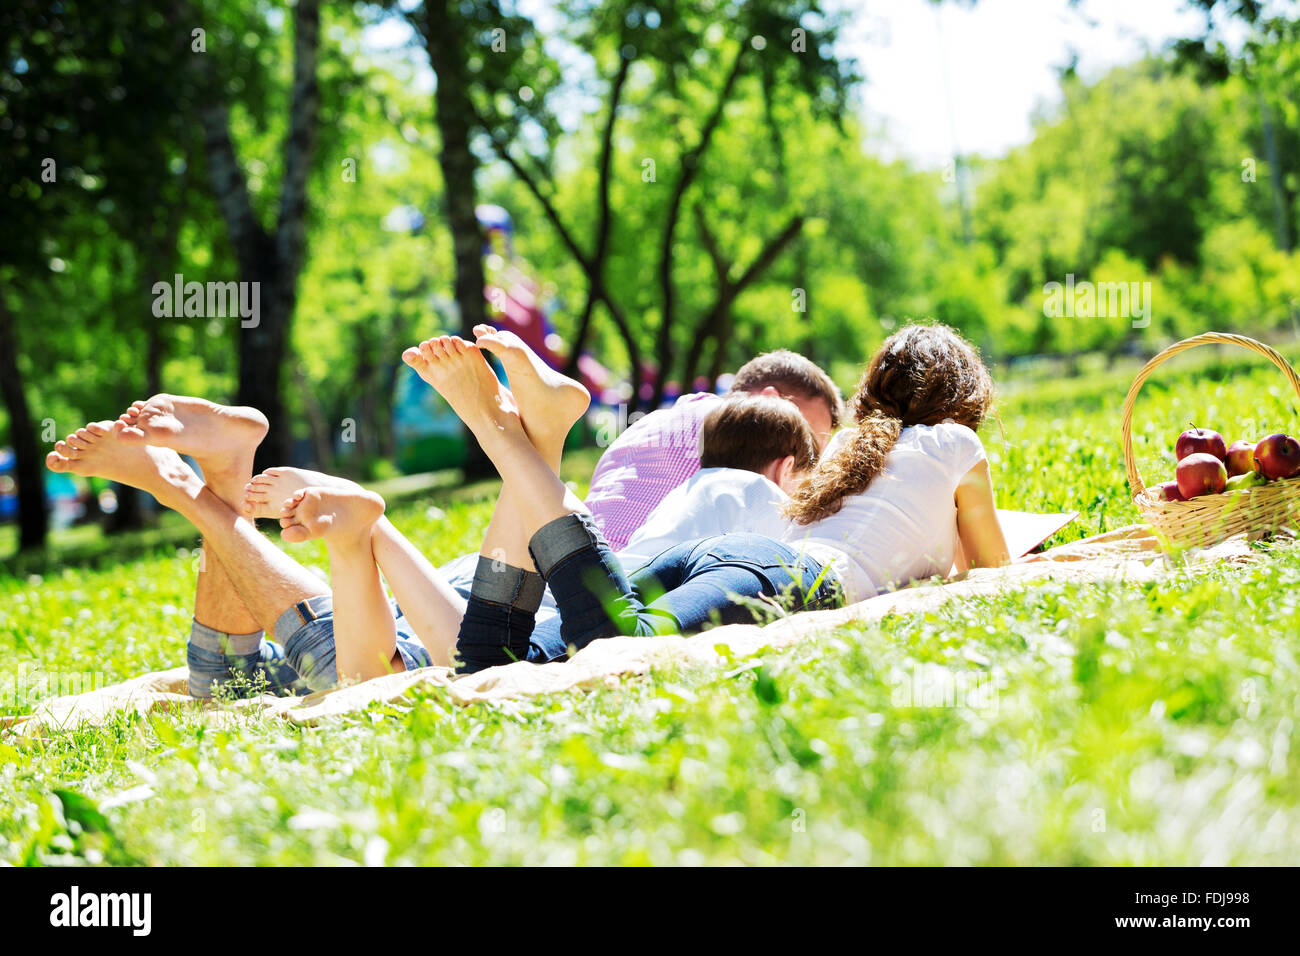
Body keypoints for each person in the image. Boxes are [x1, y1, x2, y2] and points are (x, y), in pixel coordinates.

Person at [400, 322, 1009, 674]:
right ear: (965, 401)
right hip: (784, 575)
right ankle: (505, 437)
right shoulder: (955, 444)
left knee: (491, 659)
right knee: (622, 648)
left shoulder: (851, 447)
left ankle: (536, 437)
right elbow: (991, 573)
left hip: (732, 555)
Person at [584, 350, 843, 552]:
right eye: (805, 437)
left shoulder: (650, 425)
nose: (805, 468)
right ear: (770, 403)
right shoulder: (740, 447)